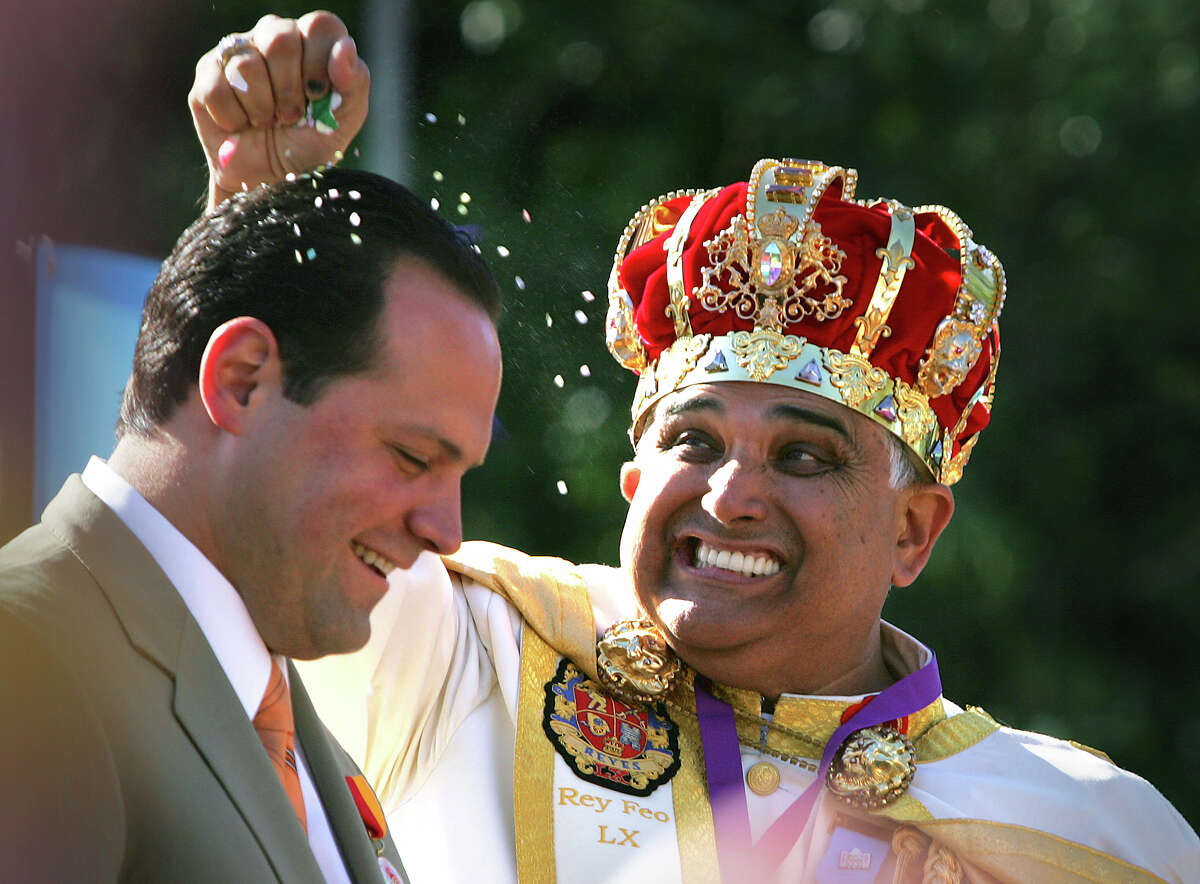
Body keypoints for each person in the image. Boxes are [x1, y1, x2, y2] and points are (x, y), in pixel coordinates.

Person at [190, 18, 1199, 882]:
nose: (731, 492)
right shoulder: (478, 648)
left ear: (913, 529)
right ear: (634, 483)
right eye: (693, 439)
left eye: (804, 456)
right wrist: (268, 216)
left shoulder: (1082, 830)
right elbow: (252, 529)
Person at [0, 16, 503, 883]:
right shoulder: (30, 666)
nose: (446, 530)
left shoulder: (295, 730)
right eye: (415, 458)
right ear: (238, 380)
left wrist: (256, 219)